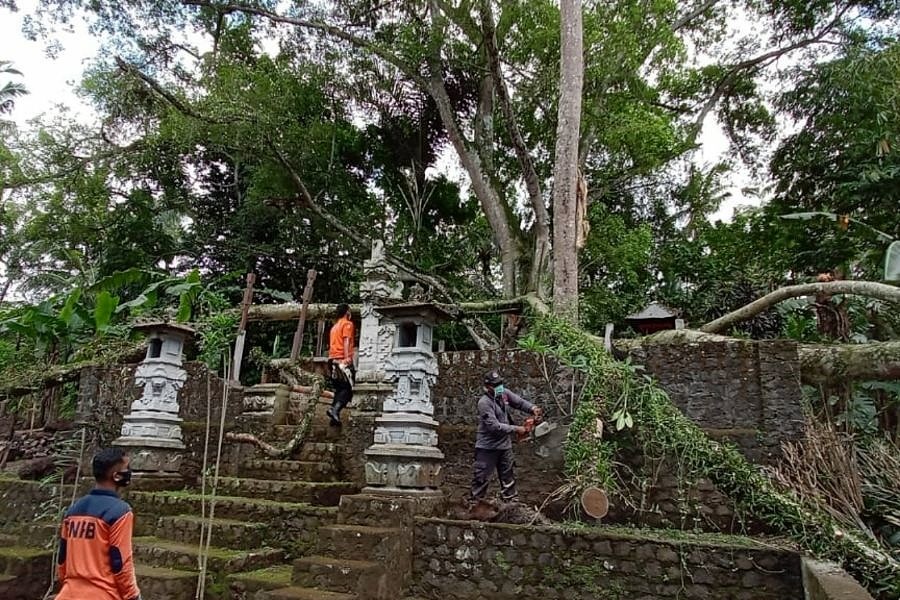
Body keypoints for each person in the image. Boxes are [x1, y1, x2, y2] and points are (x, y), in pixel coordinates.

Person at [57, 447, 141, 600]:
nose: (129, 472)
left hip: (68, 594)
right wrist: (132, 595)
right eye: (127, 468)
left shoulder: (73, 510)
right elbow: (120, 562)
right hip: (102, 594)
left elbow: (62, 558)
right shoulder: (120, 512)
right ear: (116, 476)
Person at [470, 369, 542, 504]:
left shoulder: (504, 394)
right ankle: (475, 505)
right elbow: (494, 426)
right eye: (496, 385)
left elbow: (519, 403)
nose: (499, 387)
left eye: (500, 384)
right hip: (487, 447)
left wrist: (533, 408)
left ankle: (511, 506)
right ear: (488, 387)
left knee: (508, 478)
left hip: (504, 446)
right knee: (481, 478)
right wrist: (517, 429)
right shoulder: (484, 403)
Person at [327, 303, 356, 426]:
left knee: (339, 389)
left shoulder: (334, 327)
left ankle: (334, 416)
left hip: (332, 360)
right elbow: (346, 340)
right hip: (342, 360)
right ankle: (335, 410)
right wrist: (347, 357)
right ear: (347, 312)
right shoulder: (347, 324)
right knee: (348, 389)